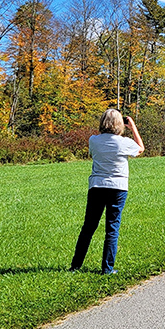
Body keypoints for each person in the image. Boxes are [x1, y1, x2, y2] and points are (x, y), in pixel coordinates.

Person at [70, 109, 145, 274]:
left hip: (97, 185)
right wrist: (133, 127)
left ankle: (75, 266)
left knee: (88, 227)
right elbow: (140, 148)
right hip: (118, 187)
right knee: (112, 227)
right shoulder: (123, 142)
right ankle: (107, 268)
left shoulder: (93, 140)